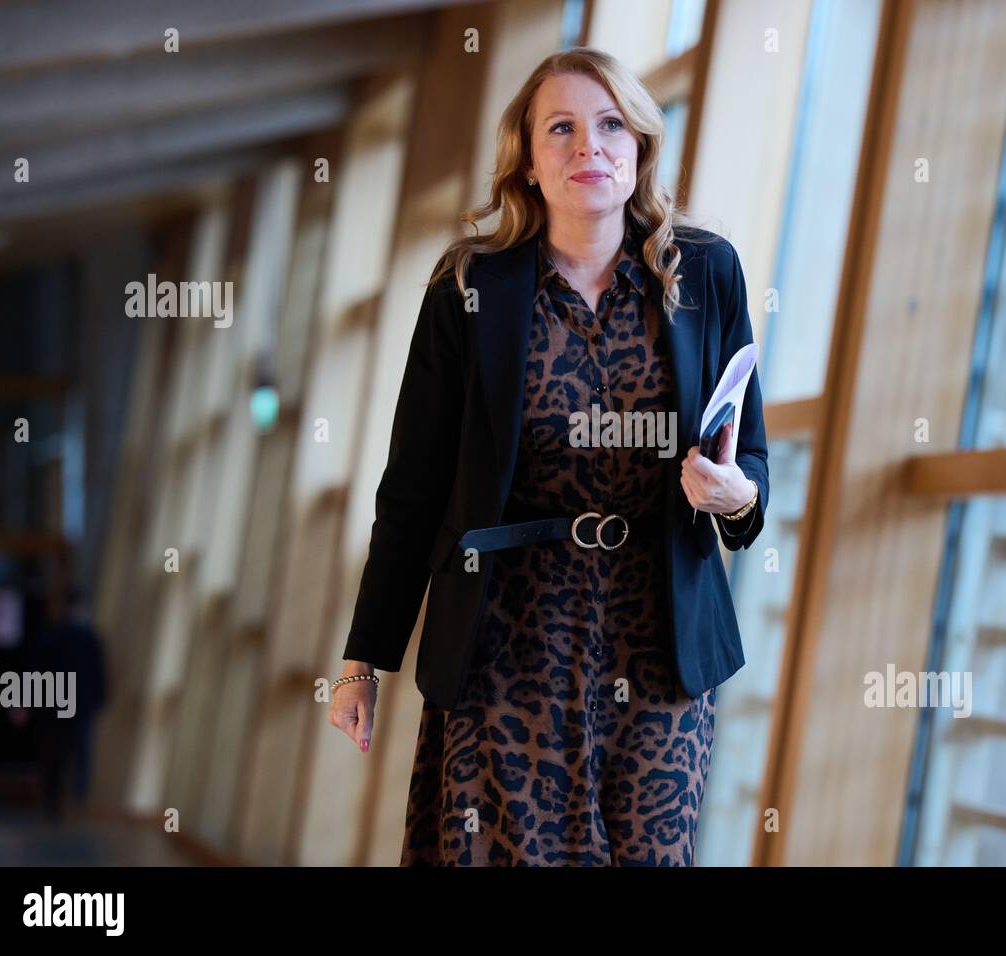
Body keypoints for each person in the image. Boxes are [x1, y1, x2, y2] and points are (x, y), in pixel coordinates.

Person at [328, 46, 768, 865]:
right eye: (559, 128)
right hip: (509, 634)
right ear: (528, 162)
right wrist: (364, 661)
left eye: (609, 125)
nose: (587, 147)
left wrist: (735, 494)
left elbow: (753, 467)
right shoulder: (469, 287)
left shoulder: (707, 273)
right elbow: (415, 488)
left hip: (661, 644)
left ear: (638, 147)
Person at [26, 587, 107, 820]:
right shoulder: (89, 637)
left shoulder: (51, 635)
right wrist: (98, 699)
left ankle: (52, 798)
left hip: (53, 705)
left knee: (53, 753)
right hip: (80, 705)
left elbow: (36, 670)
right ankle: (77, 800)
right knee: (80, 752)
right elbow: (97, 673)